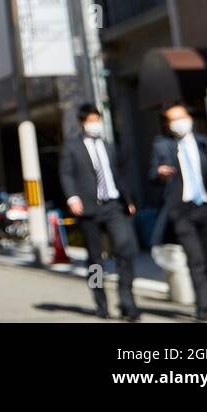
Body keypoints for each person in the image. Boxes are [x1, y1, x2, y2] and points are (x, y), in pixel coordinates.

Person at [58, 104, 140, 321]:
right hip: (88, 208)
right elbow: (66, 174)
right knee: (95, 259)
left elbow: (117, 174)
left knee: (126, 249)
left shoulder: (109, 146)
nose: (95, 124)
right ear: (82, 123)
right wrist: (72, 197)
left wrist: (128, 200)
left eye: (98, 119)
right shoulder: (72, 147)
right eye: (91, 120)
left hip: (113, 205)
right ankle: (100, 302)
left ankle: (127, 300)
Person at [149, 101, 207, 322]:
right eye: (173, 120)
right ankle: (206, 307)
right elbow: (152, 177)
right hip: (181, 211)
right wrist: (160, 173)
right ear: (167, 124)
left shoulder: (205, 144)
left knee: (206, 258)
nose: (179, 123)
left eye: (181, 117)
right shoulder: (162, 146)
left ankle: (204, 303)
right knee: (195, 258)